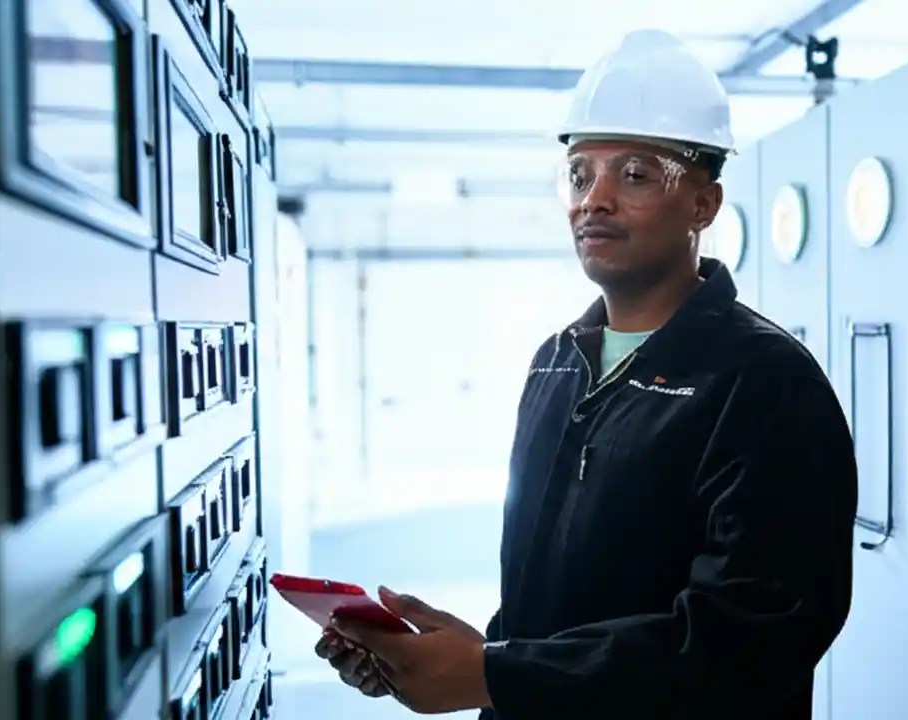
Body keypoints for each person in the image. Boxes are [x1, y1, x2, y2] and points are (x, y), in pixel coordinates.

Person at [315, 28, 859, 719]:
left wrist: (495, 676)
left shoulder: (765, 383)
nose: (592, 199)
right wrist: (457, 660)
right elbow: (546, 601)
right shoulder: (556, 361)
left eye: (633, 174)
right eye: (580, 174)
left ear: (704, 205)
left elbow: (750, 638)